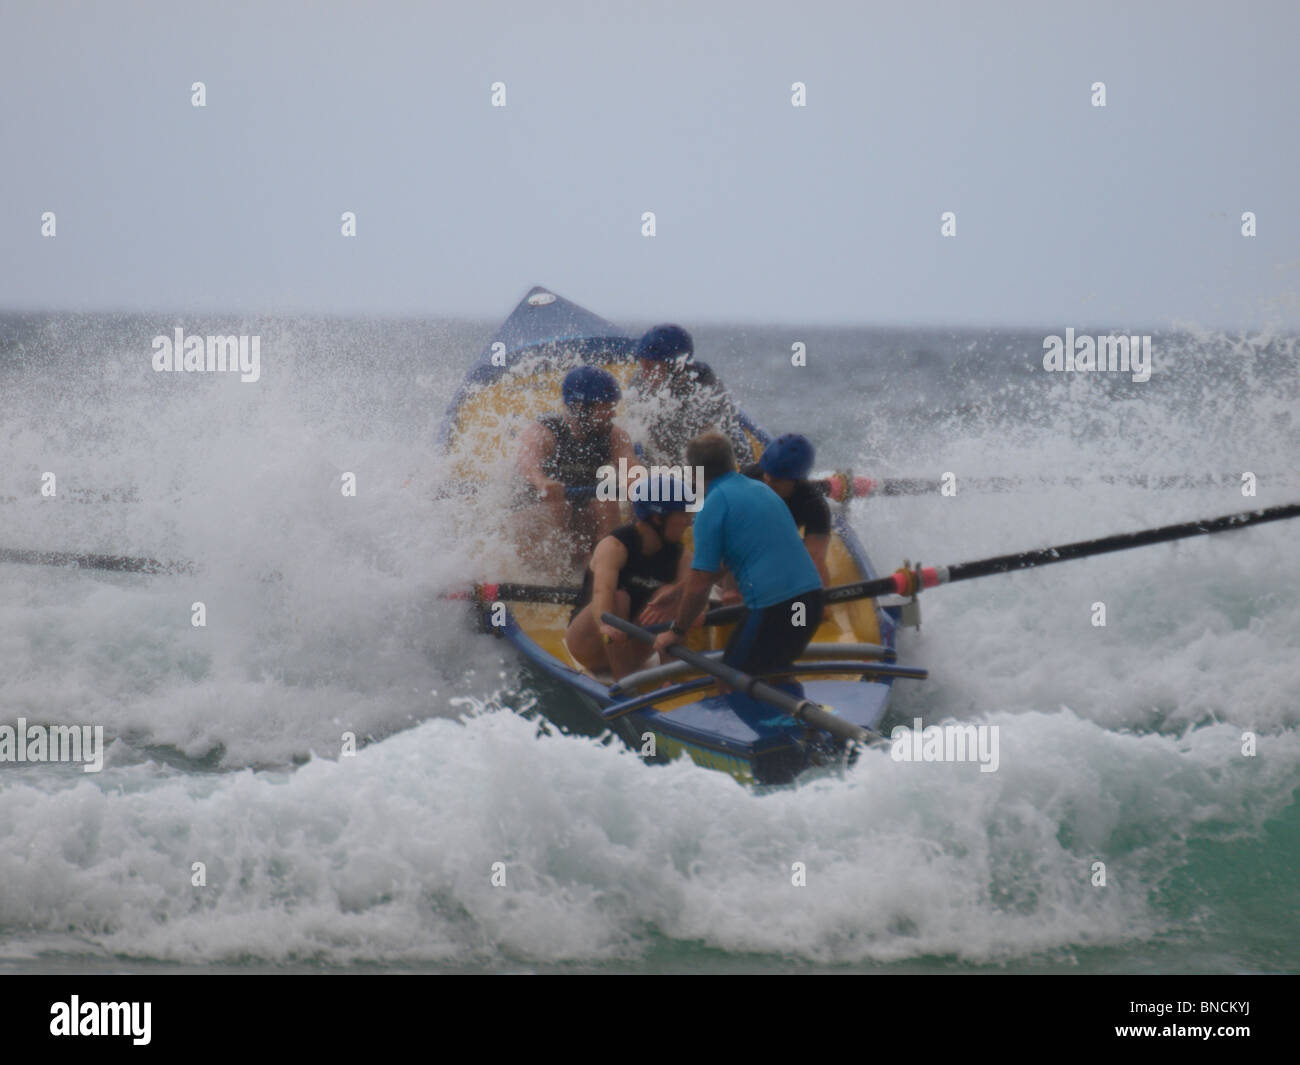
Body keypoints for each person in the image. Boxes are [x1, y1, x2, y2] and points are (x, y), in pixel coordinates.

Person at [653, 431, 823, 676]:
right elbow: (727, 562)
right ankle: (793, 711)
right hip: (808, 606)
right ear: (732, 463)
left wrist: (676, 632)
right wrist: (677, 593)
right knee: (775, 672)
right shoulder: (762, 490)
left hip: (775, 609)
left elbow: (701, 586)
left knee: (731, 679)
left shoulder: (711, 508)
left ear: (694, 472)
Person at [565, 472, 694, 679]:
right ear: (657, 518)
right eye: (683, 514)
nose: (688, 522)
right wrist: (604, 624)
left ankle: (672, 679)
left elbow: (695, 597)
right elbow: (602, 593)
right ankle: (625, 683)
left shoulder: (681, 557)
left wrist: (680, 597)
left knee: (674, 596)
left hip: (633, 648)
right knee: (619, 598)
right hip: (590, 644)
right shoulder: (614, 546)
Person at [515, 365, 639, 571]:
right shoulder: (543, 432)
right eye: (605, 407)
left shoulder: (614, 435)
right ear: (580, 408)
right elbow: (528, 465)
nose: (612, 413)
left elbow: (630, 466)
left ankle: (605, 571)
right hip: (535, 508)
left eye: (612, 406)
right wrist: (542, 482)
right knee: (558, 507)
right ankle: (554, 578)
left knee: (606, 502)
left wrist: (639, 483)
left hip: (582, 508)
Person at [626, 324, 753, 467]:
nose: (643, 375)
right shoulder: (639, 382)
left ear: (675, 367)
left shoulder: (704, 388)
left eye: (649, 368)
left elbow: (726, 437)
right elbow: (636, 434)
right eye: (641, 366)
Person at [743, 433, 831, 586]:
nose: (767, 487)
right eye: (766, 478)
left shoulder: (815, 505)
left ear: (797, 481)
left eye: (776, 482)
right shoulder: (748, 478)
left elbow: (815, 562)